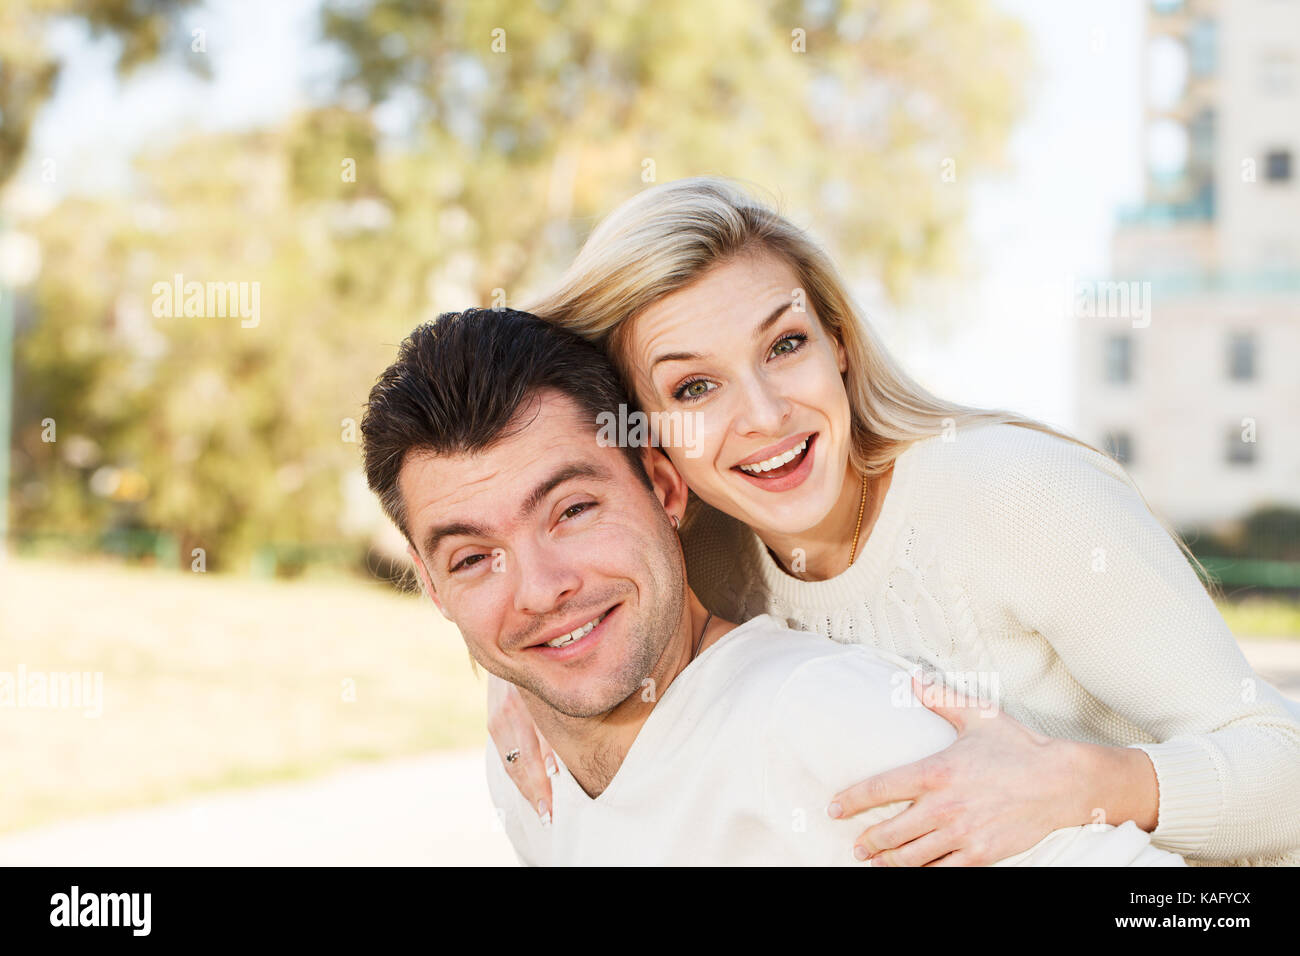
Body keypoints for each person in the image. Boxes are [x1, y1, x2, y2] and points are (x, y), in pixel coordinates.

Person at [483, 176, 1300, 867]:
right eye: (694, 388)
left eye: (785, 345)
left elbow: (1284, 763)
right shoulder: (702, 555)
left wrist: (1088, 785)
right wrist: (521, 683)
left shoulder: (1009, 492)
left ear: (838, 342)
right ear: (641, 427)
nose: (766, 416)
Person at [360, 306, 1184, 866]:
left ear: (665, 487)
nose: (539, 590)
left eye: (573, 510)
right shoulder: (522, 766)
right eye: (473, 558)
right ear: (432, 588)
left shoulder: (821, 717)